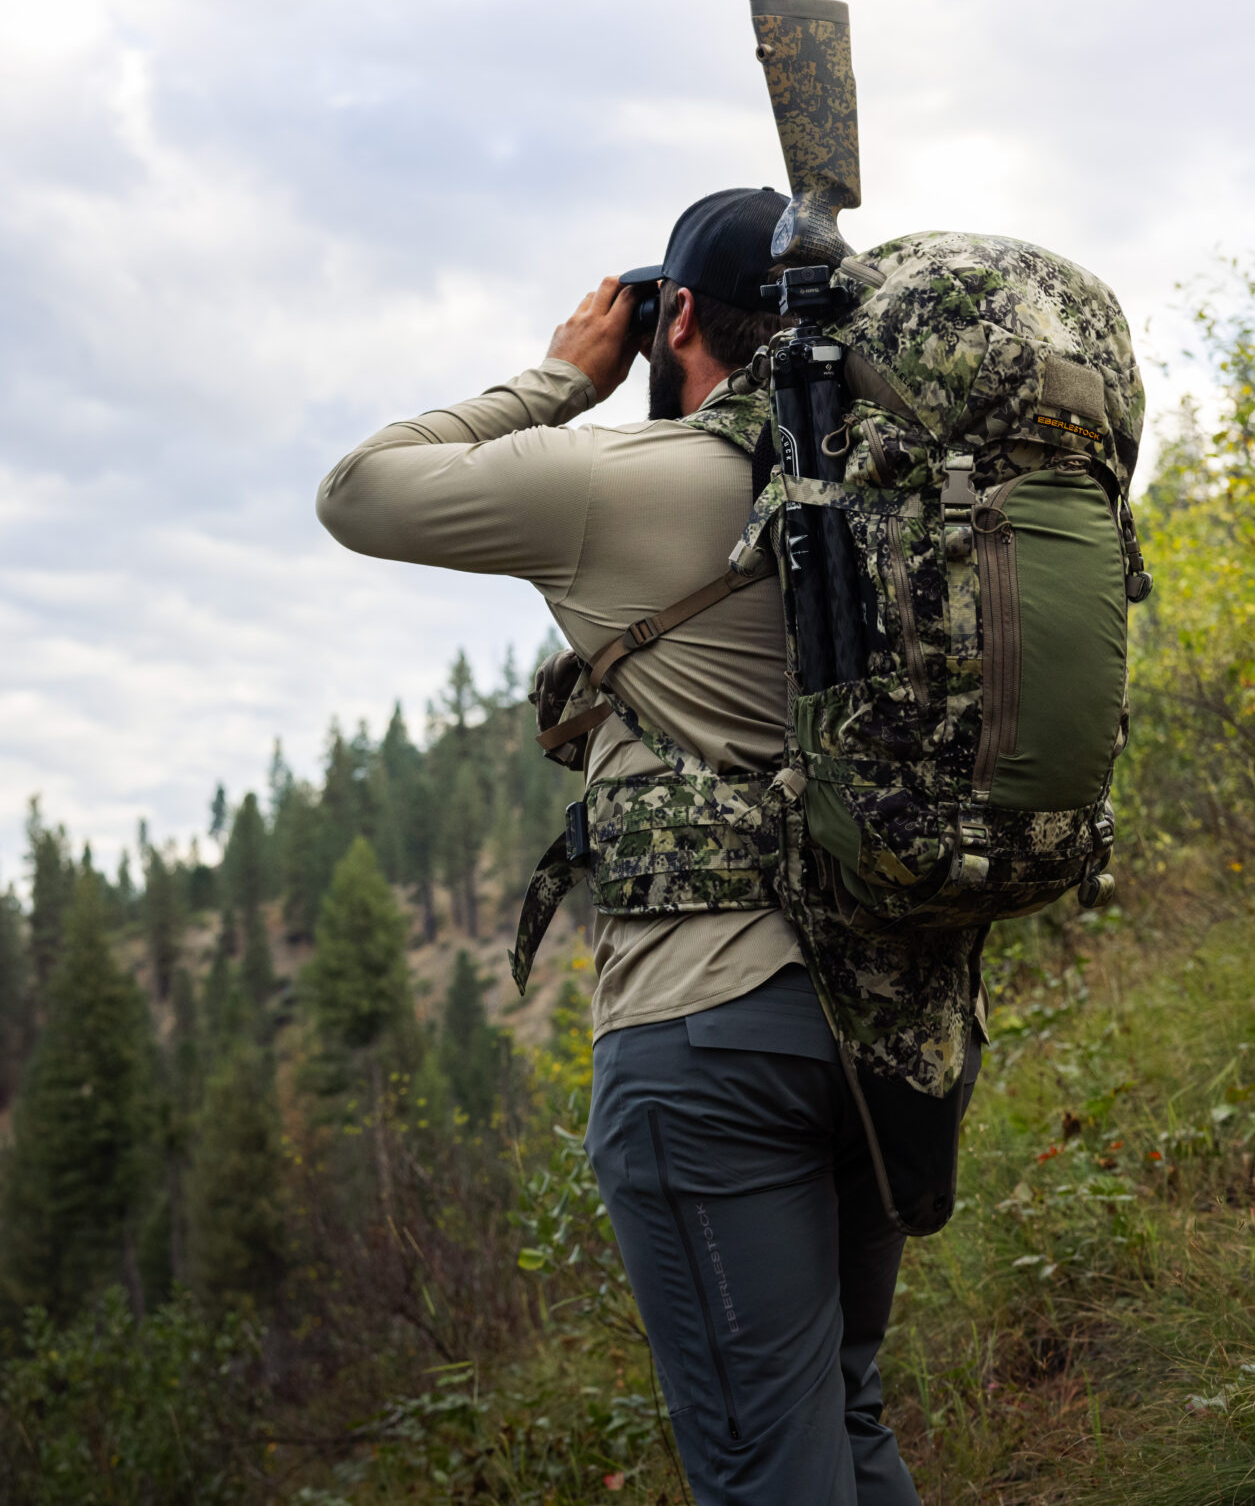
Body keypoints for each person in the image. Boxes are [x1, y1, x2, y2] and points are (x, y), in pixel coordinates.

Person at [317, 187, 950, 1503]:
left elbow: (358, 492)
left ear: (674, 319)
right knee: (842, 1412)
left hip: (706, 1041)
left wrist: (564, 373)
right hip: (882, 1026)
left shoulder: (632, 488)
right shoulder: (896, 499)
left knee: (762, 1466)